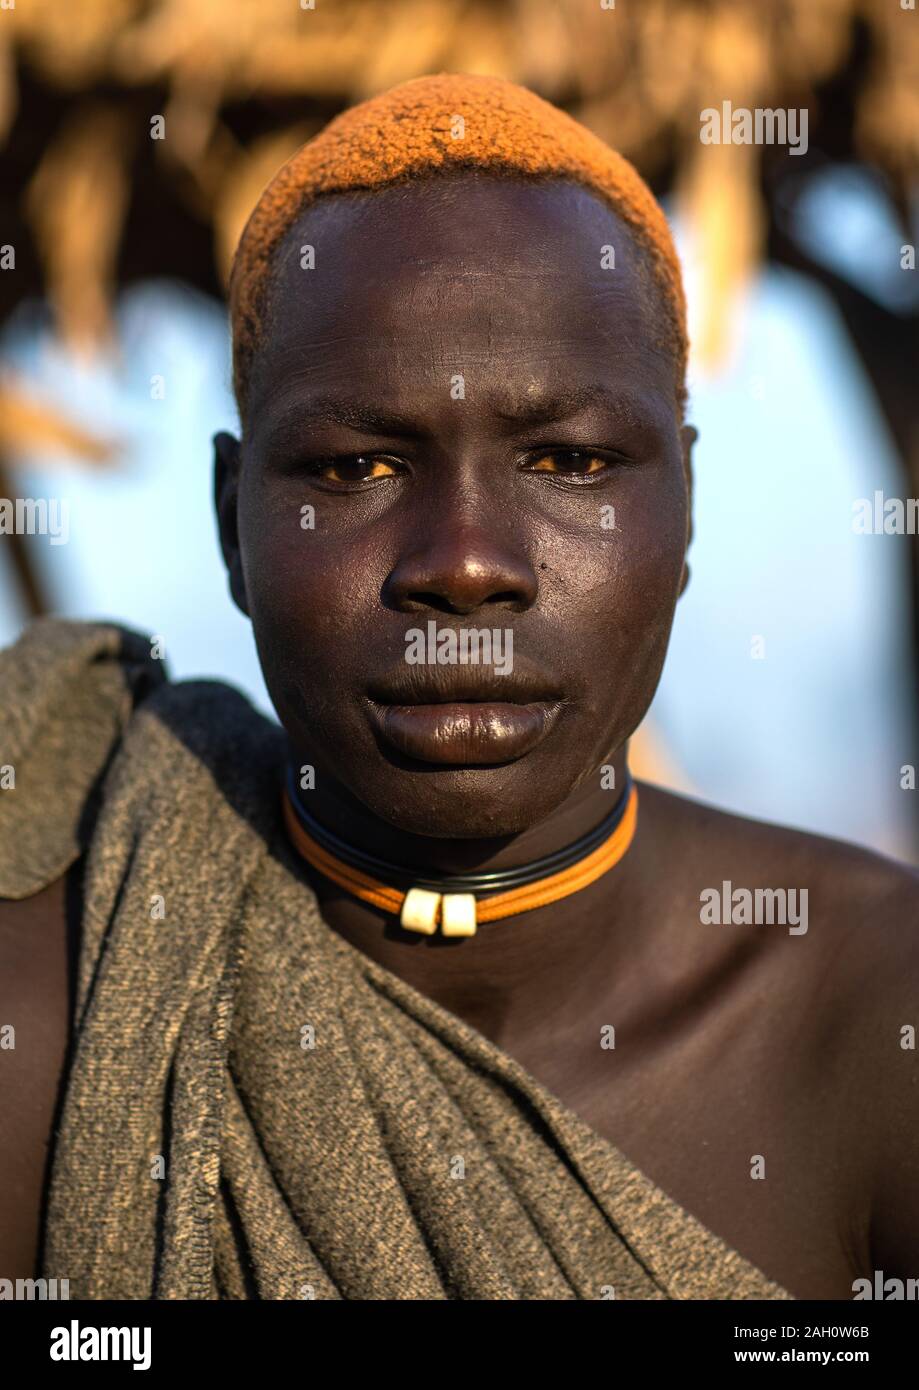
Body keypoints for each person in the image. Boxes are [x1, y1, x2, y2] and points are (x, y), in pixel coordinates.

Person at [1, 72, 916, 1302]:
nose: (467, 563)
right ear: (233, 527)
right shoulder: (49, 1023)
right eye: (359, 464)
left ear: (683, 507)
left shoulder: (873, 1013)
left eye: (571, 459)